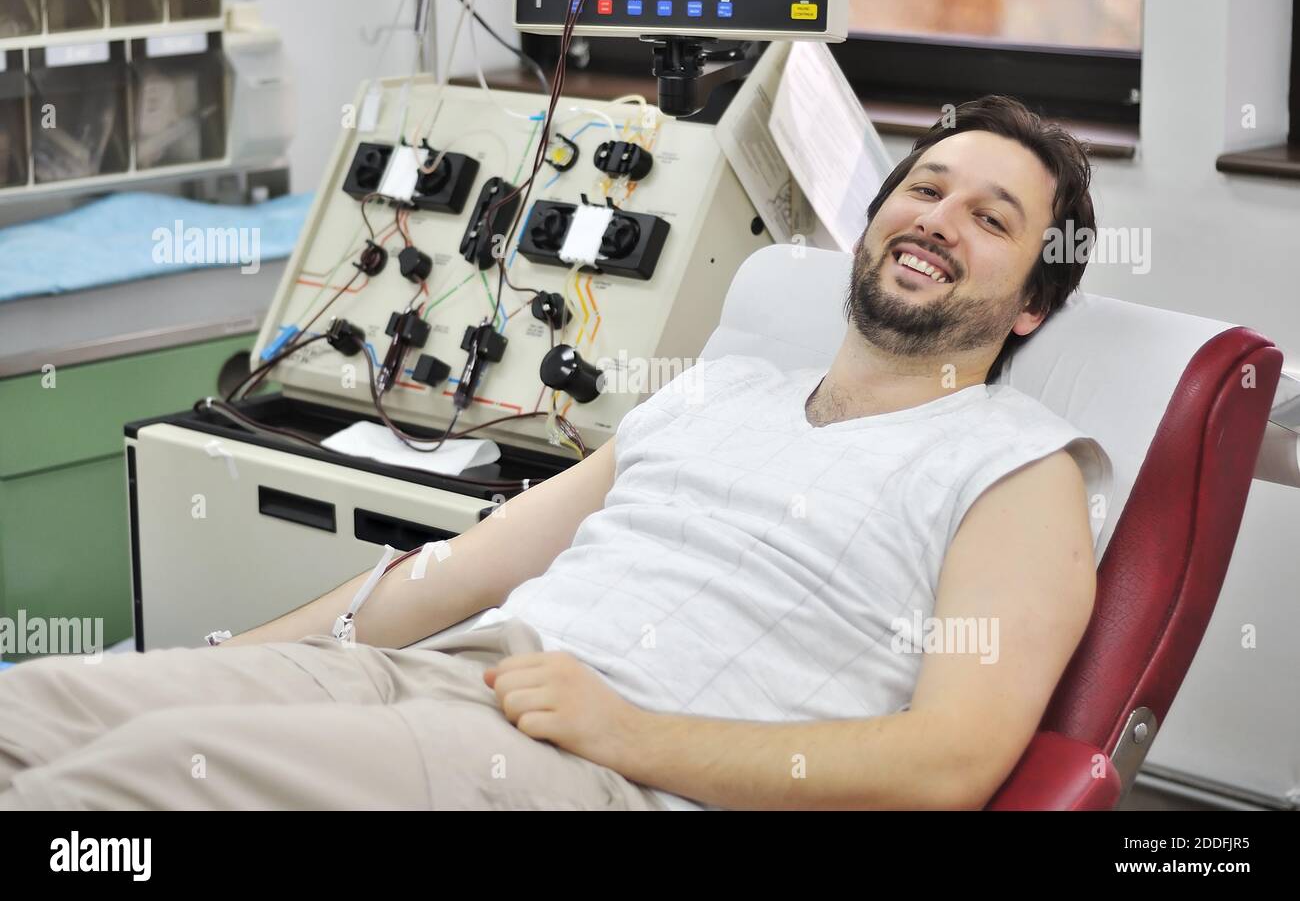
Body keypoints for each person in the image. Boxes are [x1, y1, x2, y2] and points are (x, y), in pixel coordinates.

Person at [0, 95, 1111, 811]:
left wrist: (630, 730)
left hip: (588, 768)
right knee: (43, 711)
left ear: (1029, 307)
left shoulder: (1016, 470)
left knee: (120, 796)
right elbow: (453, 571)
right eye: (924, 188)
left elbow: (951, 764)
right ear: (870, 219)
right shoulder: (716, 395)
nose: (938, 217)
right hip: (433, 676)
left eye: (991, 218)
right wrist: (222, 664)